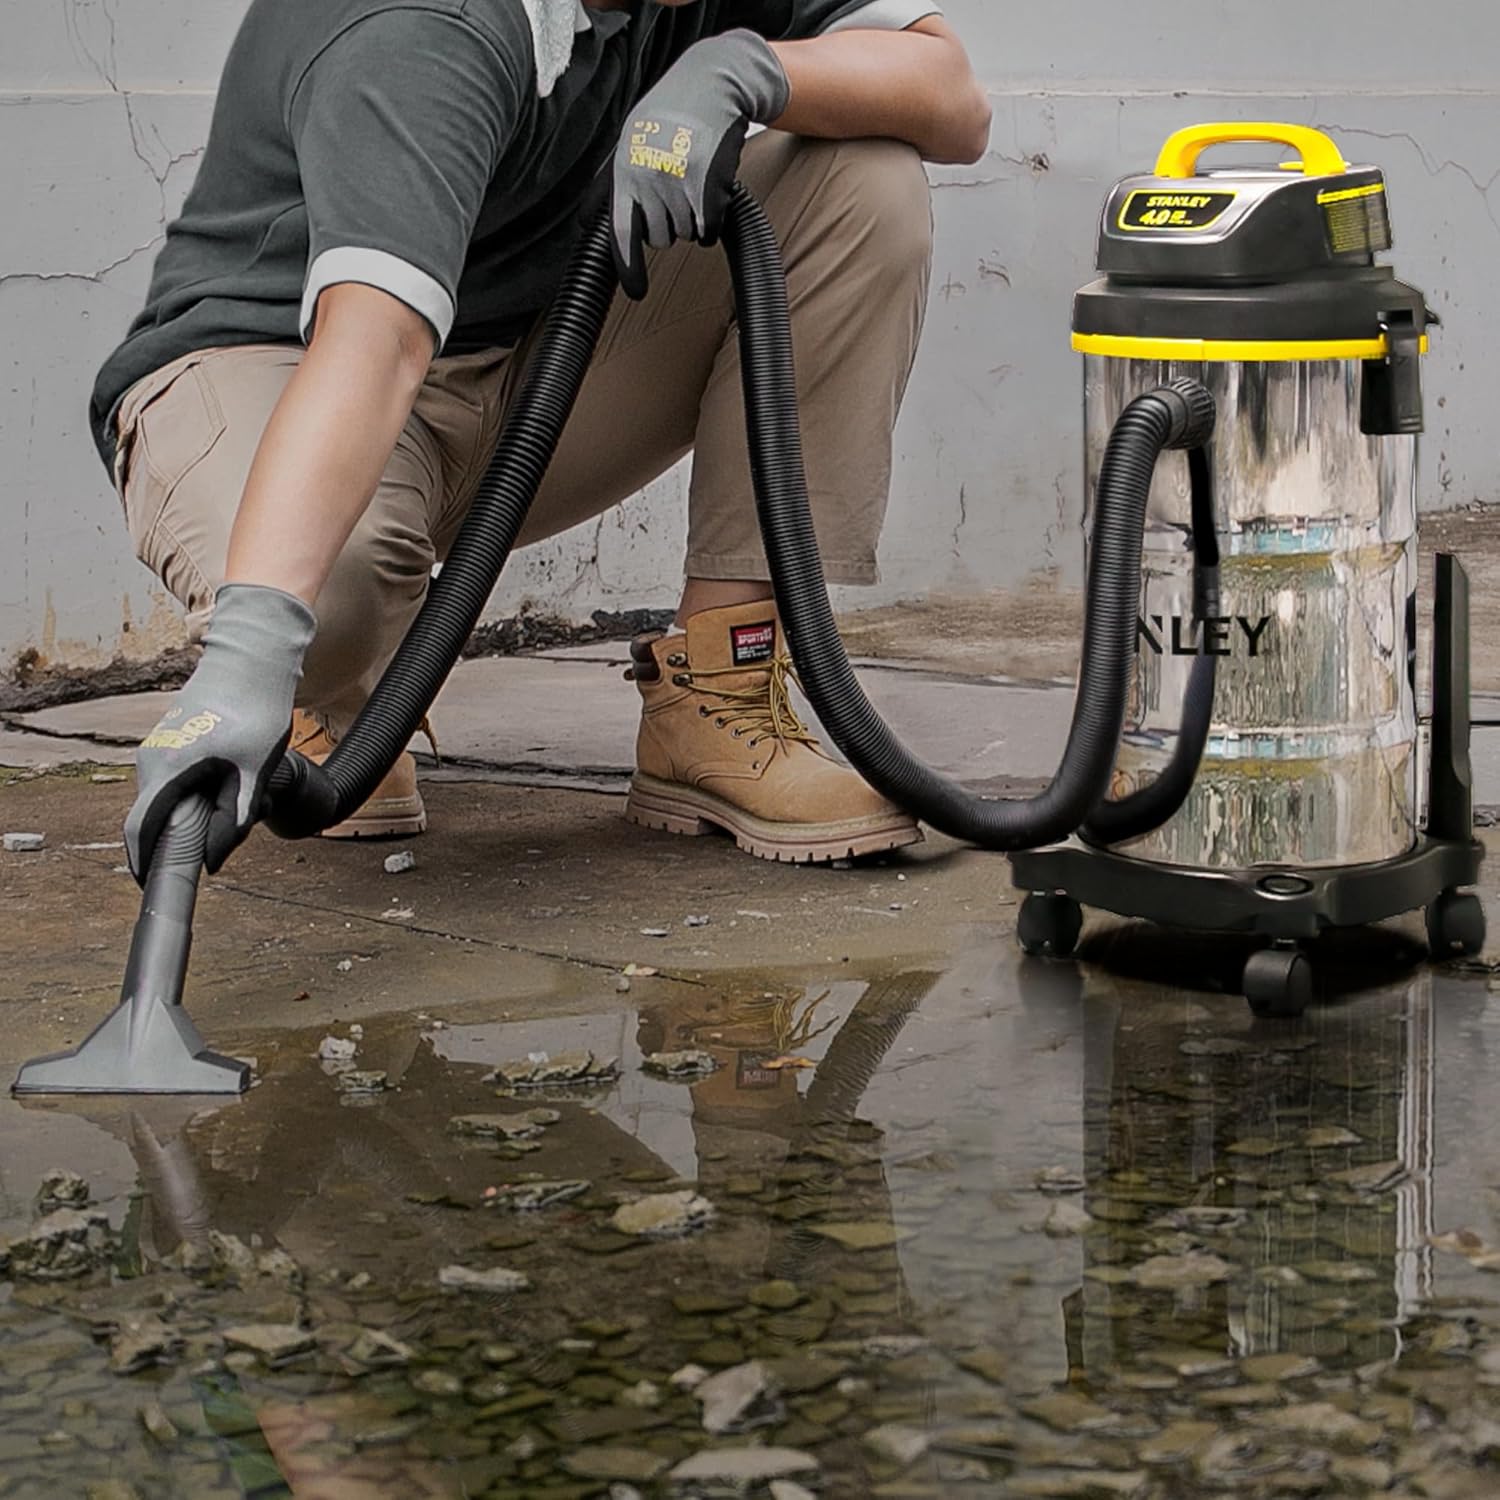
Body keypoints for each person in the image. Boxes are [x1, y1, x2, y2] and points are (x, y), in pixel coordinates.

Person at [90, 0, 991, 883]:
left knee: (863, 180)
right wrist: (250, 663)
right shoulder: (428, 27)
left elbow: (952, 95)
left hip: (523, 364)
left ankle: (717, 691)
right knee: (325, 606)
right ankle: (334, 705)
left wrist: (747, 69)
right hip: (276, 364)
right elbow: (377, 344)